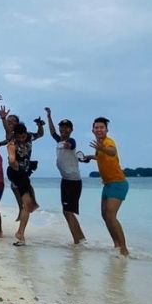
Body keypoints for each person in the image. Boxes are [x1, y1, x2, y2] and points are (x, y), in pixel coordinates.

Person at [85, 117, 129, 256]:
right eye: (96, 127)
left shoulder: (108, 142)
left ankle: (124, 249)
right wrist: (90, 157)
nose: (99, 130)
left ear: (106, 129)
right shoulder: (100, 144)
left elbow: (112, 152)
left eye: (101, 127)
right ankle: (116, 245)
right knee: (105, 215)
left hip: (118, 183)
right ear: (93, 130)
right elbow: (101, 156)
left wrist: (102, 148)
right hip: (108, 184)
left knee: (111, 215)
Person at [0, 120, 44, 246]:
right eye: (18, 137)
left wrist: (40, 125)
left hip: (23, 173)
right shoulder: (12, 144)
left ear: (25, 133)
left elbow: (40, 134)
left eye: (23, 136)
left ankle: (21, 233)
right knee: (28, 204)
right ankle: (20, 233)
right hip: (15, 172)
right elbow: (12, 160)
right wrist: (15, 164)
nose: (21, 139)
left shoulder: (29, 137)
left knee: (30, 204)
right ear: (15, 135)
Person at [46, 107, 85, 245]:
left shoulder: (71, 141)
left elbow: (71, 145)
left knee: (68, 212)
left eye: (67, 128)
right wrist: (49, 116)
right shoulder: (58, 141)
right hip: (66, 180)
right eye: (62, 127)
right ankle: (81, 238)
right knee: (66, 211)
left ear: (71, 130)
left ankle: (77, 242)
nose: (64, 129)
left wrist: (68, 144)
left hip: (73, 181)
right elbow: (52, 132)